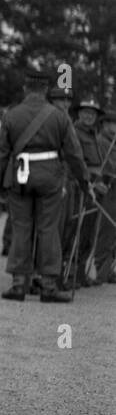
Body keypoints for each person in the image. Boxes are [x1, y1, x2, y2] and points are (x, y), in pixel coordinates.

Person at [0, 65, 89, 302]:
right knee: (48, 229)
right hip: (49, 177)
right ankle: (48, 286)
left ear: (25, 88)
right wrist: (85, 182)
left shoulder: (11, 115)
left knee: (21, 228)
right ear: (46, 89)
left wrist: (0, 185)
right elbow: (74, 154)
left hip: (19, 177)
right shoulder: (59, 116)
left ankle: (18, 284)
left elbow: (1, 154)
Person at [71, 99, 105, 287]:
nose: (89, 116)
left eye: (92, 113)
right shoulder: (74, 133)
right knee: (77, 230)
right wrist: (93, 180)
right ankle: (70, 272)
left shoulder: (94, 135)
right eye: (85, 112)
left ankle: (81, 271)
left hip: (95, 190)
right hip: (82, 188)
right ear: (78, 114)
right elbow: (78, 162)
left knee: (89, 233)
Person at [93, 107, 116, 285]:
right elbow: (108, 167)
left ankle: (110, 269)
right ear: (103, 125)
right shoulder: (101, 142)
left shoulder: (113, 142)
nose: (113, 127)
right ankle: (102, 270)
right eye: (109, 123)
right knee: (106, 231)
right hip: (107, 188)